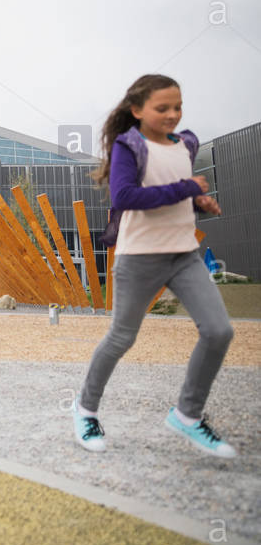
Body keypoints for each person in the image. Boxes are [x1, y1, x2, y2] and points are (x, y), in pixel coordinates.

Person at [72, 74, 235, 457]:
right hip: (140, 257)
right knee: (121, 338)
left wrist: (198, 203)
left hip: (183, 254)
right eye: (162, 108)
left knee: (219, 331)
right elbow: (127, 196)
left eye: (177, 107)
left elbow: (174, 190)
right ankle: (84, 410)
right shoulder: (129, 146)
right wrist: (189, 189)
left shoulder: (186, 144)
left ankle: (187, 415)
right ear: (137, 110)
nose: (172, 114)